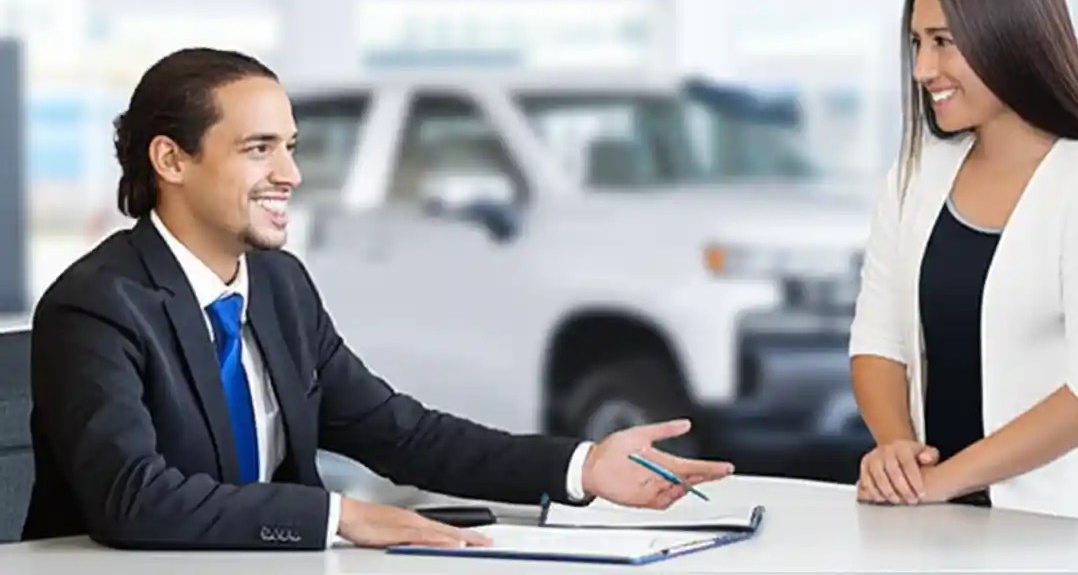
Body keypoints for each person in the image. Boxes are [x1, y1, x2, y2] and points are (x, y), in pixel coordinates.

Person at [22, 48, 734, 550]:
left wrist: (582, 468)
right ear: (171, 160)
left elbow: (399, 433)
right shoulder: (98, 306)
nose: (292, 174)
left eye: (292, 147)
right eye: (259, 149)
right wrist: (341, 517)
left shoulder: (279, 286)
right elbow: (134, 499)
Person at [848, 0, 1078, 521]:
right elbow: (877, 342)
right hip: (930, 526)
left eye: (942, 43)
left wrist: (943, 482)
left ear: (1009, 41)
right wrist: (898, 452)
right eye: (915, 43)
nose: (922, 70)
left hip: (1062, 534)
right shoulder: (914, 176)